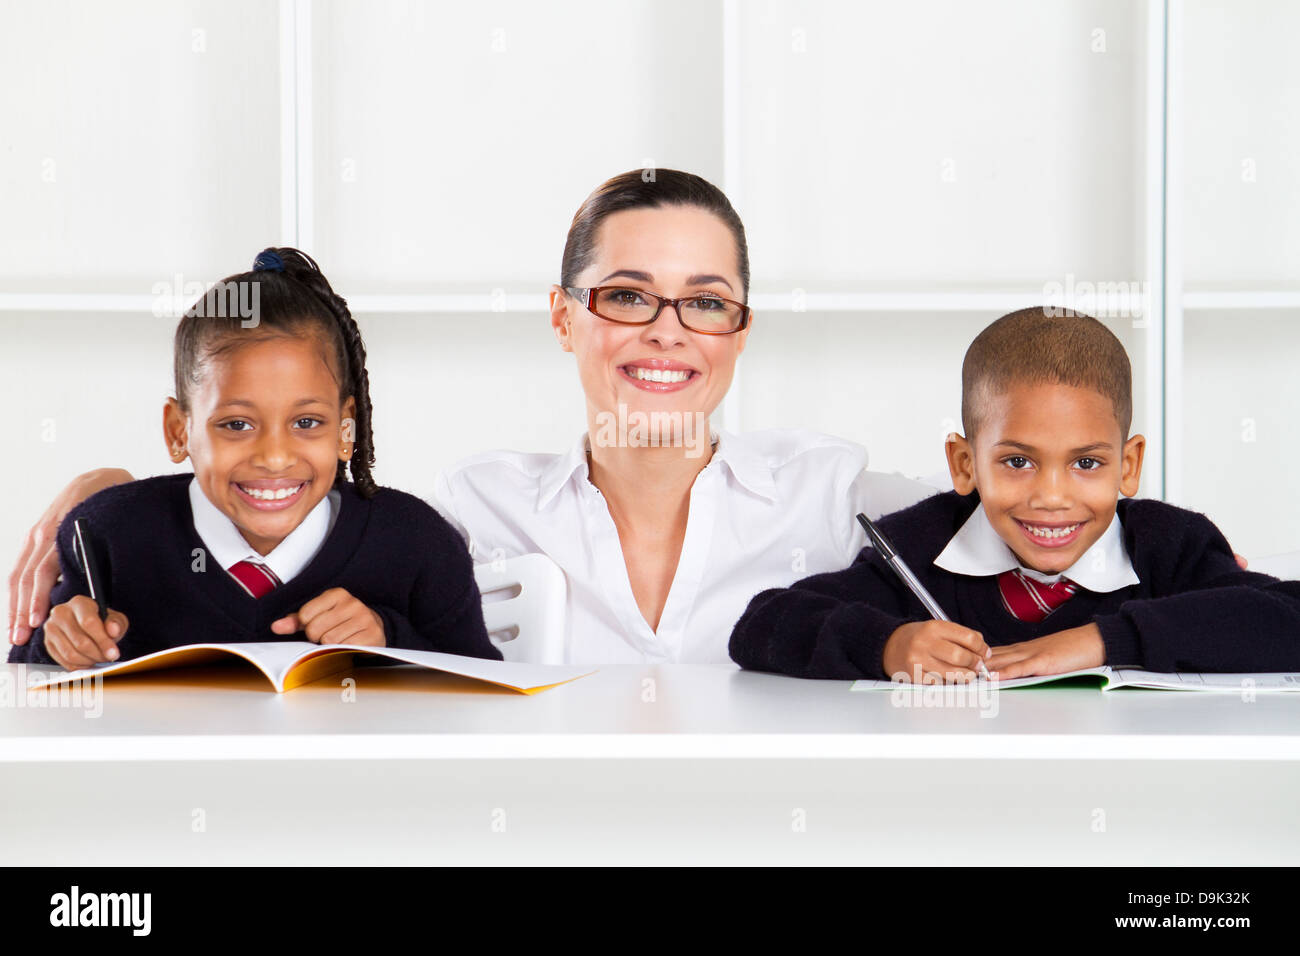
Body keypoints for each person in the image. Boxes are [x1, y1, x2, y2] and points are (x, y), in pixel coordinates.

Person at [430, 169, 933, 665]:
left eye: (706, 302)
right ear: (564, 319)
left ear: (741, 333)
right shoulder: (477, 509)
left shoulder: (829, 495)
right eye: (627, 296)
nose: (667, 332)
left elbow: (1002, 512)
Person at [728, 308, 1300, 682]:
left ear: (1129, 467)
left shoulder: (1168, 544)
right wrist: (890, 645)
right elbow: (764, 624)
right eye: (1018, 461)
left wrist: (1102, 640)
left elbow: (1285, 618)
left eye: (1086, 462)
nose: (1052, 497)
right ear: (964, 464)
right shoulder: (919, 545)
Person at [10, 248, 498, 669]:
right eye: (236, 425)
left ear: (346, 429)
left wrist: (388, 640)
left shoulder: (417, 543)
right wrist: (60, 649)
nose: (274, 457)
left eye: (307, 422)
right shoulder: (110, 534)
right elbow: (27, 689)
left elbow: (486, 692)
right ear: (179, 430)